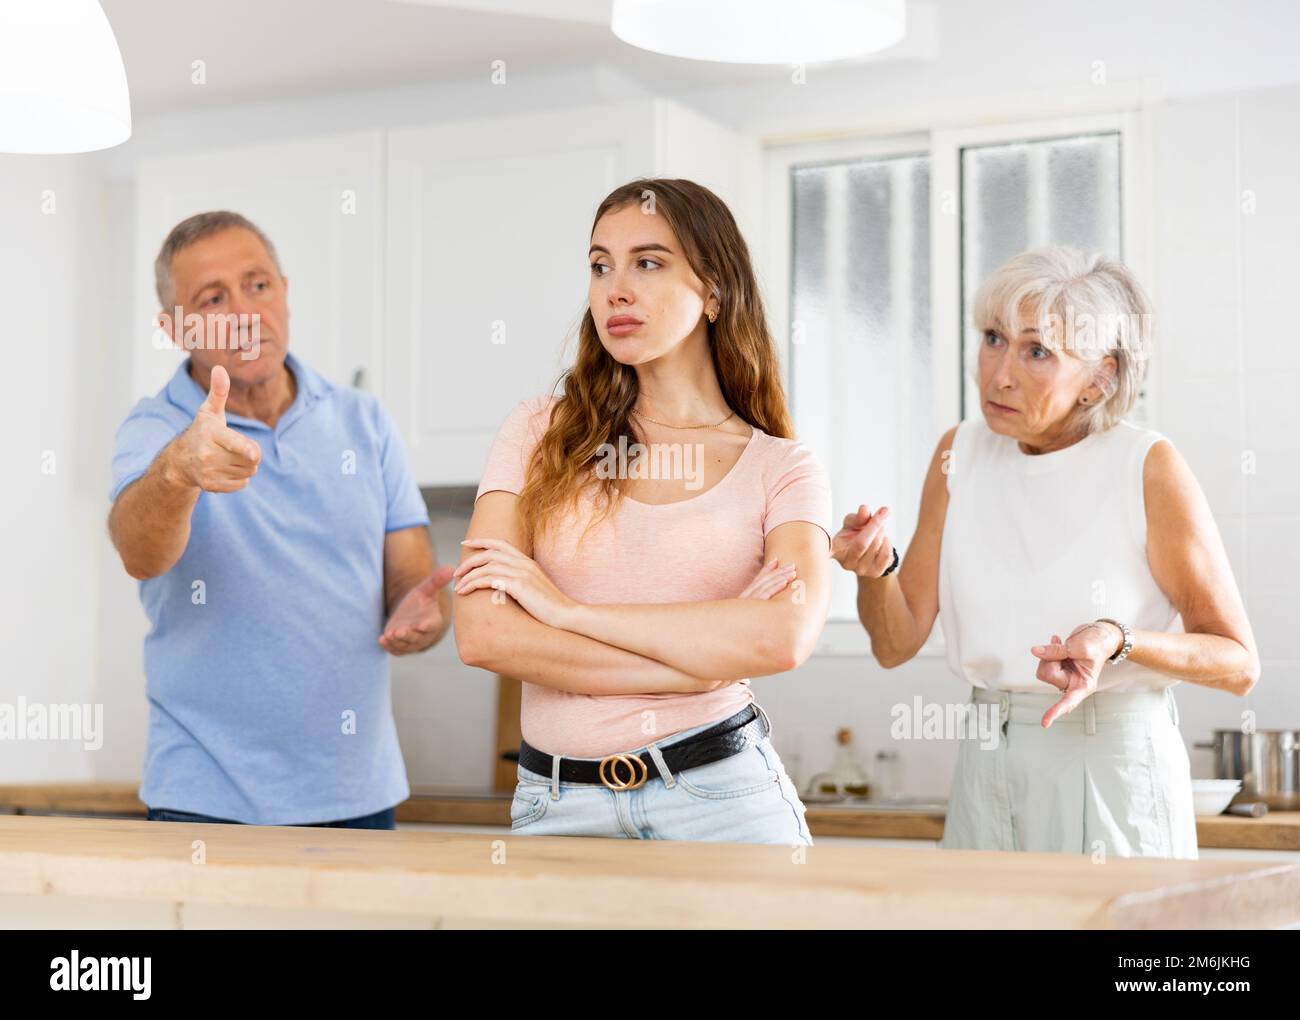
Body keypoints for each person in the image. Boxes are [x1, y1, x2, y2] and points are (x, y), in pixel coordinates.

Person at [831, 246, 1259, 859]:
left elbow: (1238, 663)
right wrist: (877, 573)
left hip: (1105, 756)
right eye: (992, 338)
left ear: (1100, 377)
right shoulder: (961, 452)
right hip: (984, 758)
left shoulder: (1146, 465)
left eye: (1037, 352)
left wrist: (1118, 637)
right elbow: (895, 644)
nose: (999, 373)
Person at [454, 178, 833, 845]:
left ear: (714, 290)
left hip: (724, 803)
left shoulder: (783, 467)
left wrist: (569, 614)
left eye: (648, 263)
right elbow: (484, 634)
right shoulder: (537, 433)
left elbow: (782, 638)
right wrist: (704, 661)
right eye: (600, 266)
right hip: (556, 809)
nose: (615, 290)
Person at [108, 211, 454, 828]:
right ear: (173, 328)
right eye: (213, 298)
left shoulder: (364, 421)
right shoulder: (157, 430)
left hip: (358, 793)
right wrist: (177, 472)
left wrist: (418, 612)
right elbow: (139, 551)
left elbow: (408, 574)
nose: (246, 311)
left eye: (258, 284)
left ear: (285, 292)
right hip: (205, 803)